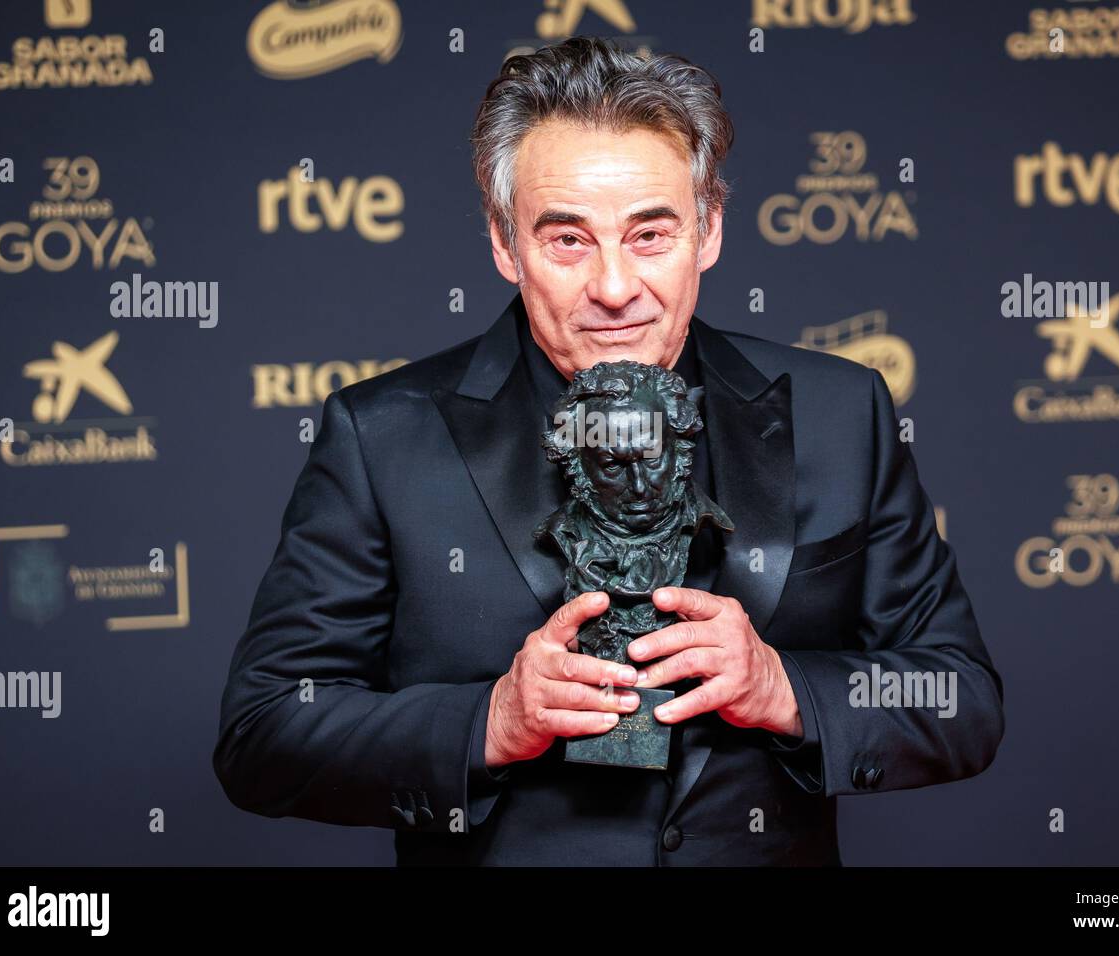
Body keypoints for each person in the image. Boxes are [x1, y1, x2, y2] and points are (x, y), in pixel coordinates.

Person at [213, 35, 1005, 866]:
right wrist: (488, 723)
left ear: (709, 231)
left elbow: (963, 699)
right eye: (568, 241)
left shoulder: (842, 411)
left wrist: (786, 690)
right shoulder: (381, 436)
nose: (616, 287)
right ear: (504, 243)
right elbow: (263, 732)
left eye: (651, 235)